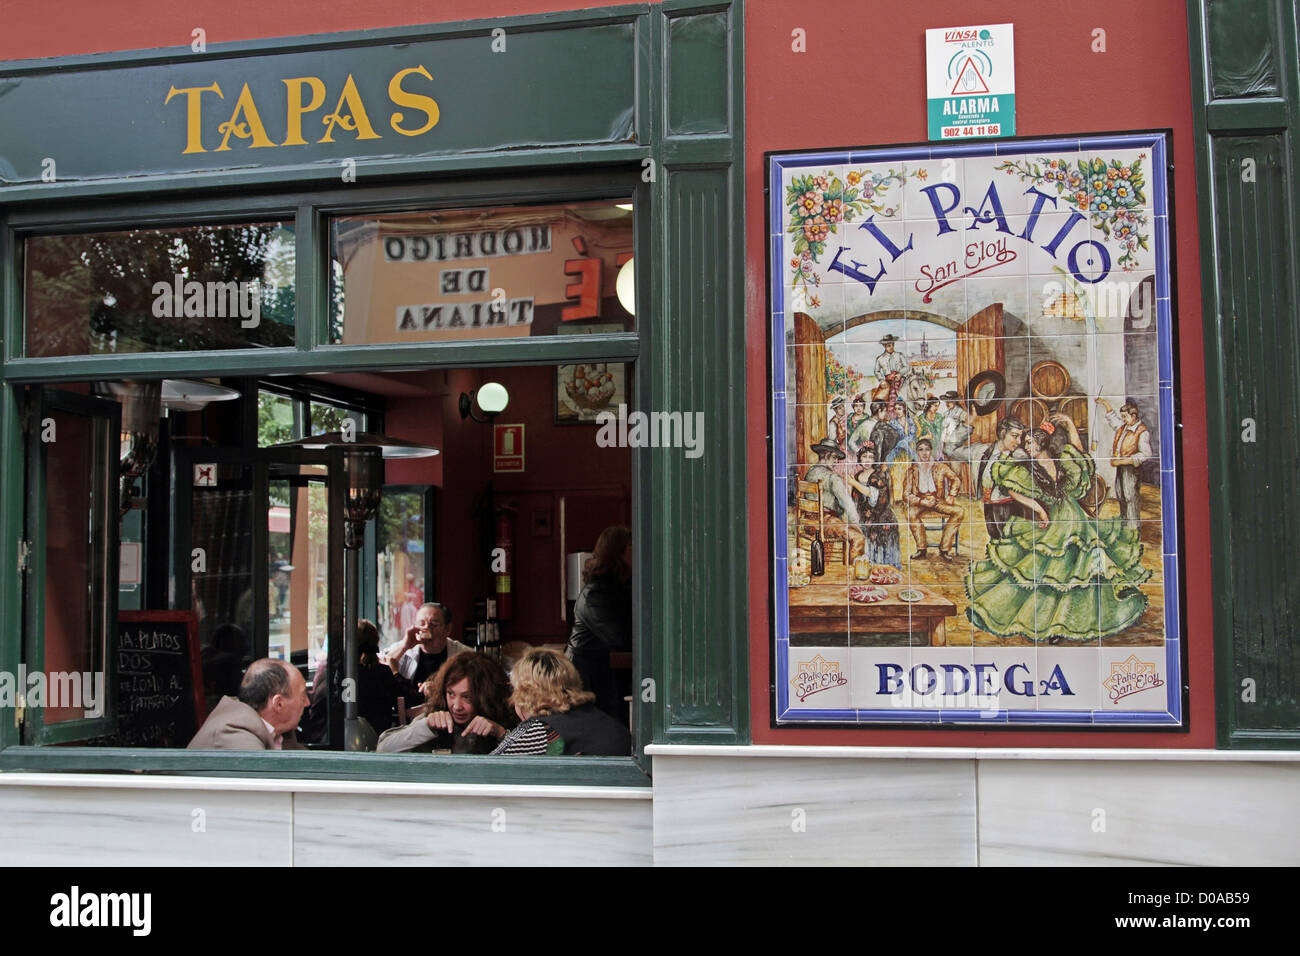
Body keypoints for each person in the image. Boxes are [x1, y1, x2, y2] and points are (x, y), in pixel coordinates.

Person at [965, 415, 1150, 643]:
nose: (1027, 447)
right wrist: (1041, 511)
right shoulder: (1028, 469)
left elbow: (1078, 453)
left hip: (1076, 519)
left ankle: (1100, 612)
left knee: (1088, 564)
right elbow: (1014, 491)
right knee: (1052, 572)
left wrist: (1070, 424)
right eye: (1025, 444)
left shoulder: (1061, 461)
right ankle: (1053, 625)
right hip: (1054, 523)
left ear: (1042, 443)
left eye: (1030, 443)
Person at [491, 648, 630, 756]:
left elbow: (484, 770)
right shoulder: (604, 721)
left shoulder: (541, 729)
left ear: (526, 693)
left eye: (515, 690)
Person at [377, 653, 515, 754]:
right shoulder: (437, 714)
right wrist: (426, 726)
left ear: (486, 696)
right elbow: (383, 749)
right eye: (451, 694)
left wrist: (500, 734)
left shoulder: (501, 718)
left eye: (467, 697)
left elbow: (526, 765)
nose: (456, 706)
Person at [566, 525, 633, 719]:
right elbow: (621, 638)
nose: (636, 550)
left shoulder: (621, 586)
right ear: (617, 552)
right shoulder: (596, 593)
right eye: (630, 545)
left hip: (606, 676)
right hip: (586, 678)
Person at [188, 658, 310, 750]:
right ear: (278, 704)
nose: (307, 703)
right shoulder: (234, 733)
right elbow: (266, 781)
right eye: (303, 696)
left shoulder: (278, 732)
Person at [382, 602, 471, 690]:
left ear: (447, 629)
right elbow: (381, 665)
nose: (426, 628)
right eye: (421, 624)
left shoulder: (463, 654)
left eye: (434, 624)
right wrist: (404, 647)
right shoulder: (405, 648)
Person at [803, 439, 866, 561]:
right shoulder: (833, 477)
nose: (836, 462)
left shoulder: (810, 472)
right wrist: (855, 523)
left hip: (807, 522)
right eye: (834, 458)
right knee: (858, 538)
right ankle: (855, 574)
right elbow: (846, 503)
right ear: (826, 455)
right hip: (824, 522)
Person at [903, 438, 964, 560]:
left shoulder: (940, 467)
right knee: (910, 513)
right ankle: (921, 549)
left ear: (931, 451)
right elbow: (906, 494)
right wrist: (921, 501)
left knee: (959, 511)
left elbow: (956, 479)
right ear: (917, 452)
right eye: (921, 450)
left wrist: (951, 495)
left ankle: (944, 549)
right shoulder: (912, 470)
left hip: (937, 500)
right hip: (920, 502)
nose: (924, 453)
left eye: (927, 449)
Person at [1097, 397, 1152, 529]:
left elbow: (1146, 454)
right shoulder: (1124, 427)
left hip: (1131, 469)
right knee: (1121, 495)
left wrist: (1121, 461)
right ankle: (1125, 525)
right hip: (1121, 467)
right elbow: (1113, 420)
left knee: (1130, 497)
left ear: (1133, 416)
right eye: (1122, 416)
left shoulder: (1142, 431)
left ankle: (1133, 528)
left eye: (1125, 417)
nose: (1122, 419)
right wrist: (1105, 404)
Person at [976, 416, 1032, 540]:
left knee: (1008, 539)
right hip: (989, 504)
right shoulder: (987, 451)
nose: (1018, 442)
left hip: (1008, 505)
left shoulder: (1019, 456)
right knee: (994, 537)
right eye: (1014, 436)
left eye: (1020, 437)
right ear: (1002, 433)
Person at [848, 443, 901, 568]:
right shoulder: (857, 476)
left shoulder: (878, 475)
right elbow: (855, 499)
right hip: (864, 518)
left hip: (881, 517)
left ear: (874, 460)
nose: (867, 460)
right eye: (864, 457)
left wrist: (854, 484)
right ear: (860, 459)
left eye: (870, 457)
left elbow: (873, 495)